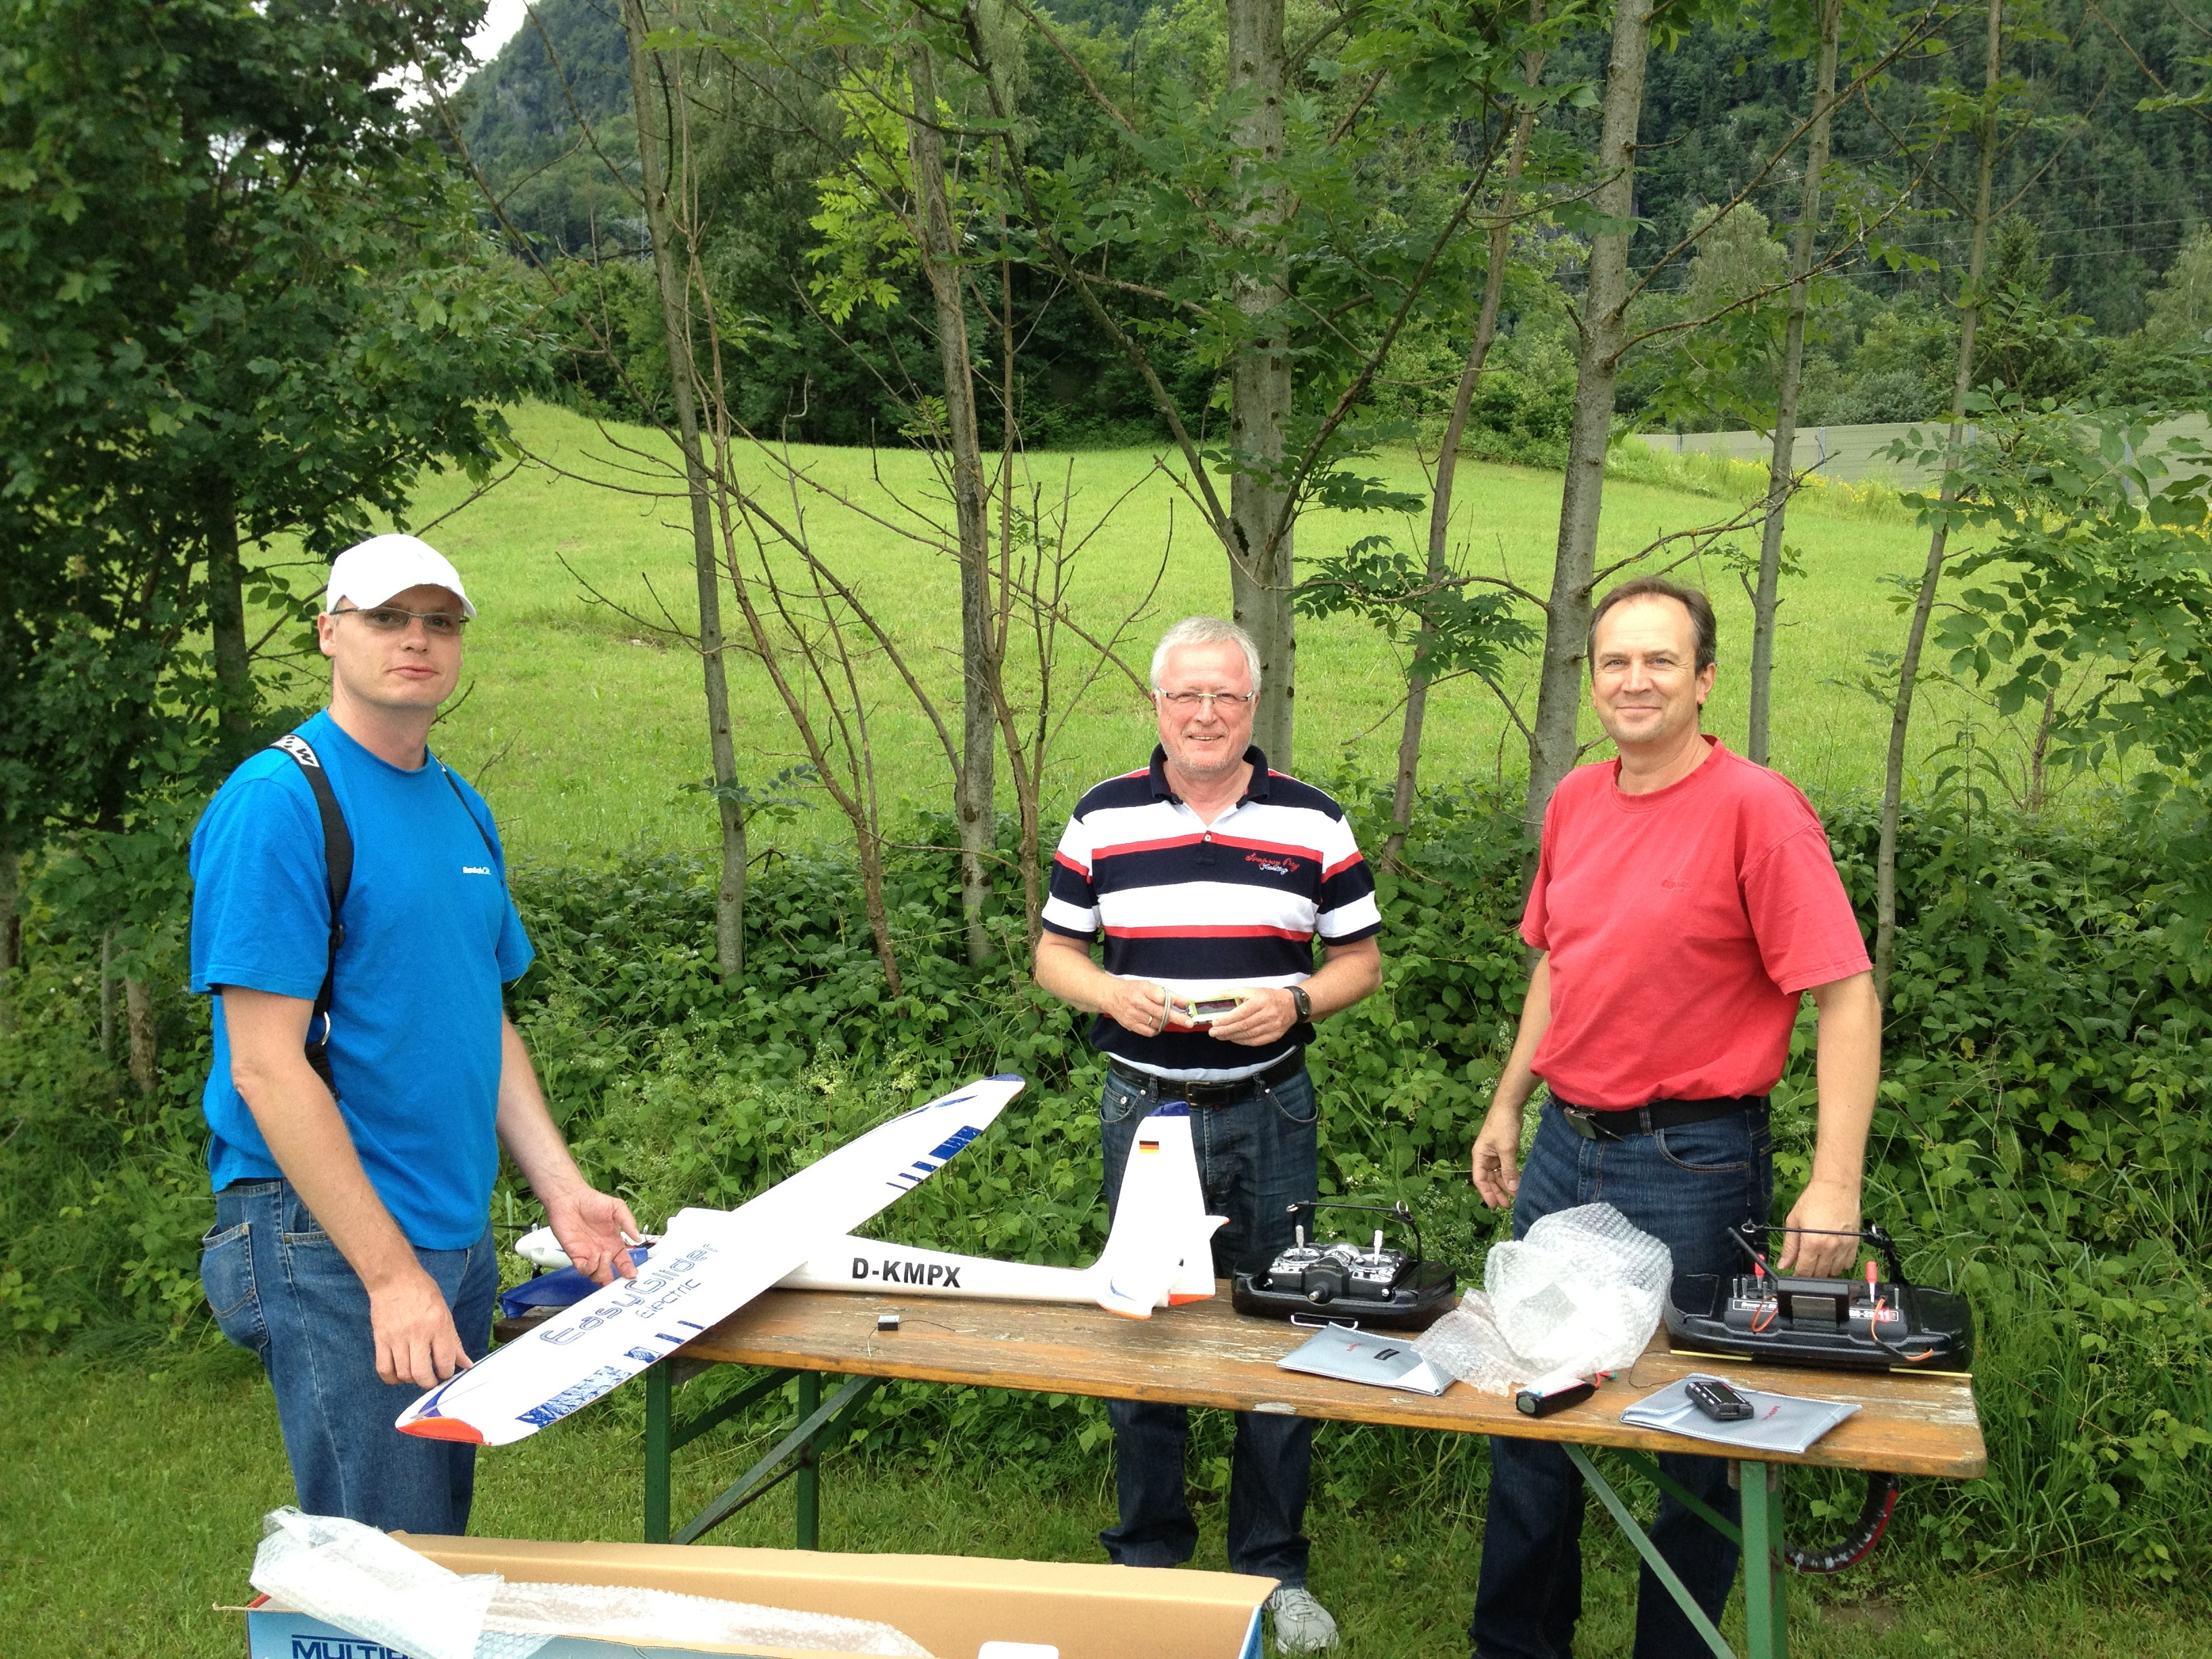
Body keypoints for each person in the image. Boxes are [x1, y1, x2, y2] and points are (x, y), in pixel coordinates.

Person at [1467, 575, 1882, 1659]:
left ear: (1703, 680)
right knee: (1532, 1413)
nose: (1635, 679)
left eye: (1660, 660)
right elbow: (1558, 963)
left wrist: (1834, 1183)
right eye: (1615, 661)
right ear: (1591, 680)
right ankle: (1516, 1647)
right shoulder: (1575, 802)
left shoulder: (1758, 809)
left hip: (1692, 1163)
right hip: (1566, 1149)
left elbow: (1845, 994)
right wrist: (1510, 1101)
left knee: (1695, 1434)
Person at [191, 533, 640, 1535]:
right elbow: (264, 1068)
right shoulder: (280, 801)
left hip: (452, 1228)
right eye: (388, 618)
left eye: (439, 622)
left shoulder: (458, 804)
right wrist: (389, 1277)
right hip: (332, 1241)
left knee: (429, 1551)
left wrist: (563, 1193)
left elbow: (484, 1019)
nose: (417, 641)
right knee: (380, 1580)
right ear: (328, 632)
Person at [1033, 615, 1384, 1654]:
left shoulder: (1315, 822)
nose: (1205, 715)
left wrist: (1302, 1004)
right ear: (1157, 706)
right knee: (1146, 1332)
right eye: (1187, 695)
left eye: (1226, 697)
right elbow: (1054, 954)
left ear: (1253, 708)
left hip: (1271, 1105)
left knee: (1281, 1335)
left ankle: (1273, 1573)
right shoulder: (1101, 818)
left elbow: (1360, 962)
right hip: (1146, 1106)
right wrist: (1106, 989)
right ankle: (1149, 1563)